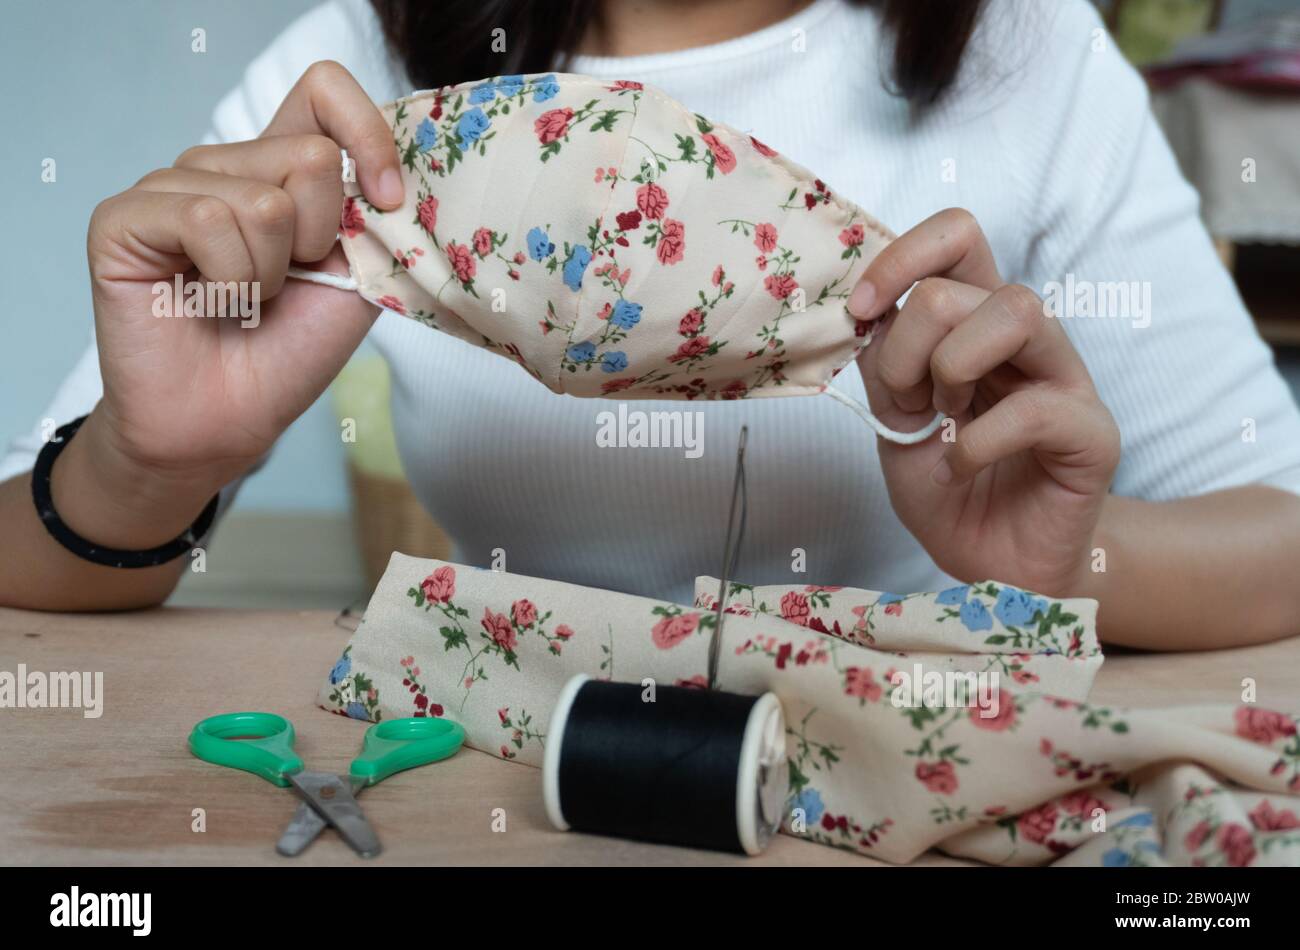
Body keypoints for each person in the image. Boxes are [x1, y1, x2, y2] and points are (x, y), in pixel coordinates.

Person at [2, 0, 1298, 650]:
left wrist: (1063, 570)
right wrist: (148, 461)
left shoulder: (1029, 54)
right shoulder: (352, 81)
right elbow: (25, 551)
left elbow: (1281, 534)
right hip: (487, 795)